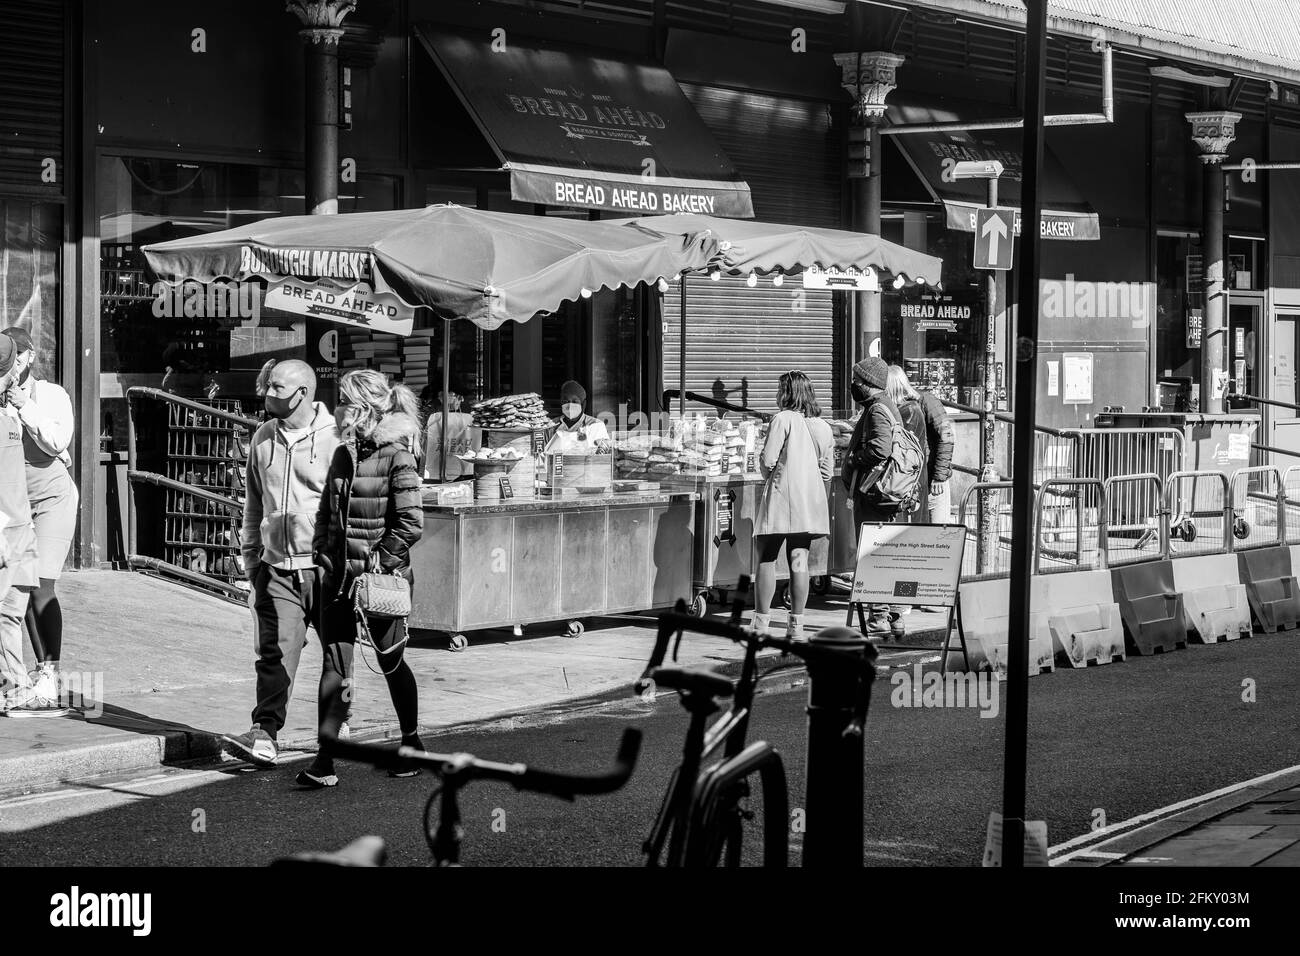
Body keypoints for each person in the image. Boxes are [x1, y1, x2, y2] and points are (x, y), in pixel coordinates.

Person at [301, 369, 425, 788]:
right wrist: (321, 553)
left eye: (344, 401)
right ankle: (325, 759)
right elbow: (324, 512)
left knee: (392, 663)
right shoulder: (343, 453)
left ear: (364, 408)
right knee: (335, 667)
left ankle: (412, 743)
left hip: (379, 583)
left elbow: (411, 523)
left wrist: (380, 560)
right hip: (337, 579)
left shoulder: (397, 456)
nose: (337, 409)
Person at [222, 359, 342, 768]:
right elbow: (254, 504)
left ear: (303, 393)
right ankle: (264, 733)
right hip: (276, 568)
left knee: (336, 656)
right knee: (274, 653)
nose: (267, 394)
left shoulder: (337, 439)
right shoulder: (263, 437)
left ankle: (333, 734)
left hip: (325, 568)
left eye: (276, 388)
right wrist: (251, 557)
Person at [0, 328, 79, 716]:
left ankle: (48, 676)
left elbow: (58, 442)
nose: (10, 365)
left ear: (29, 357)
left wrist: (24, 408)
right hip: (15, 504)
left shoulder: (51, 395)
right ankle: (16, 680)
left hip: (52, 499)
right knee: (14, 588)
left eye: (15, 357)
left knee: (39, 584)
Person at [751, 371, 833, 639]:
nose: (776, 394)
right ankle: (796, 626)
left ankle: (761, 625)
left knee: (766, 558)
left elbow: (768, 460)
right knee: (799, 560)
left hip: (781, 499)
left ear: (786, 392)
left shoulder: (782, 419)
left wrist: (766, 472)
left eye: (778, 389)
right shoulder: (823, 426)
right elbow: (827, 472)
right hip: (808, 504)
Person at [840, 357, 903, 639]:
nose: (854, 385)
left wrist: (853, 458)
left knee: (874, 554)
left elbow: (880, 448)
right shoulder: (886, 407)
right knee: (888, 555)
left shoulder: (877, 409)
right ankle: (895, 615)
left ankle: (879, 617)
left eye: (857, 381)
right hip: (882, 495)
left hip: (874, 494)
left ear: (869, 384)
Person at [0, 335, 45, 715]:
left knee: (11, 613)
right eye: (13, 364)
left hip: (20, 532)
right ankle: (15, 689)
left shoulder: (8, 412)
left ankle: (14, 688)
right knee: (3, 616)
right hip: (4, 537)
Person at [544, 380, 609, 455]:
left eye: (575, 402)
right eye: (566, 401)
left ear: (583, 404)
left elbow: (603, 455)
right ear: (561, 403)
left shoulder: (596, 425)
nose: (570, 405)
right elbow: (542, 455)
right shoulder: (551, 426)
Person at [424, 390, 474, 480]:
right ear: (448, 397)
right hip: (441, 472)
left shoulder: (433, 414)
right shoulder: (434, 412)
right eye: (459, 397)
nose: (462, 400)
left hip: (438, 471)